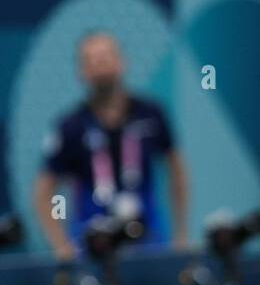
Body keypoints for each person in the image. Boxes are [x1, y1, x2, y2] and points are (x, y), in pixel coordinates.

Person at [33, 31, 189, 260]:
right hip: (93, 246)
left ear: (122, 62)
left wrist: (181, 234)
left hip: (150, 241)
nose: (101, 67)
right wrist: (61, 246)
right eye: (92, 61)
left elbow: (177, 171)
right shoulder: (71, 126)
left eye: (106, 58)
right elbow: (44, 192)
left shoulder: (151, 114)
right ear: (81, 71)